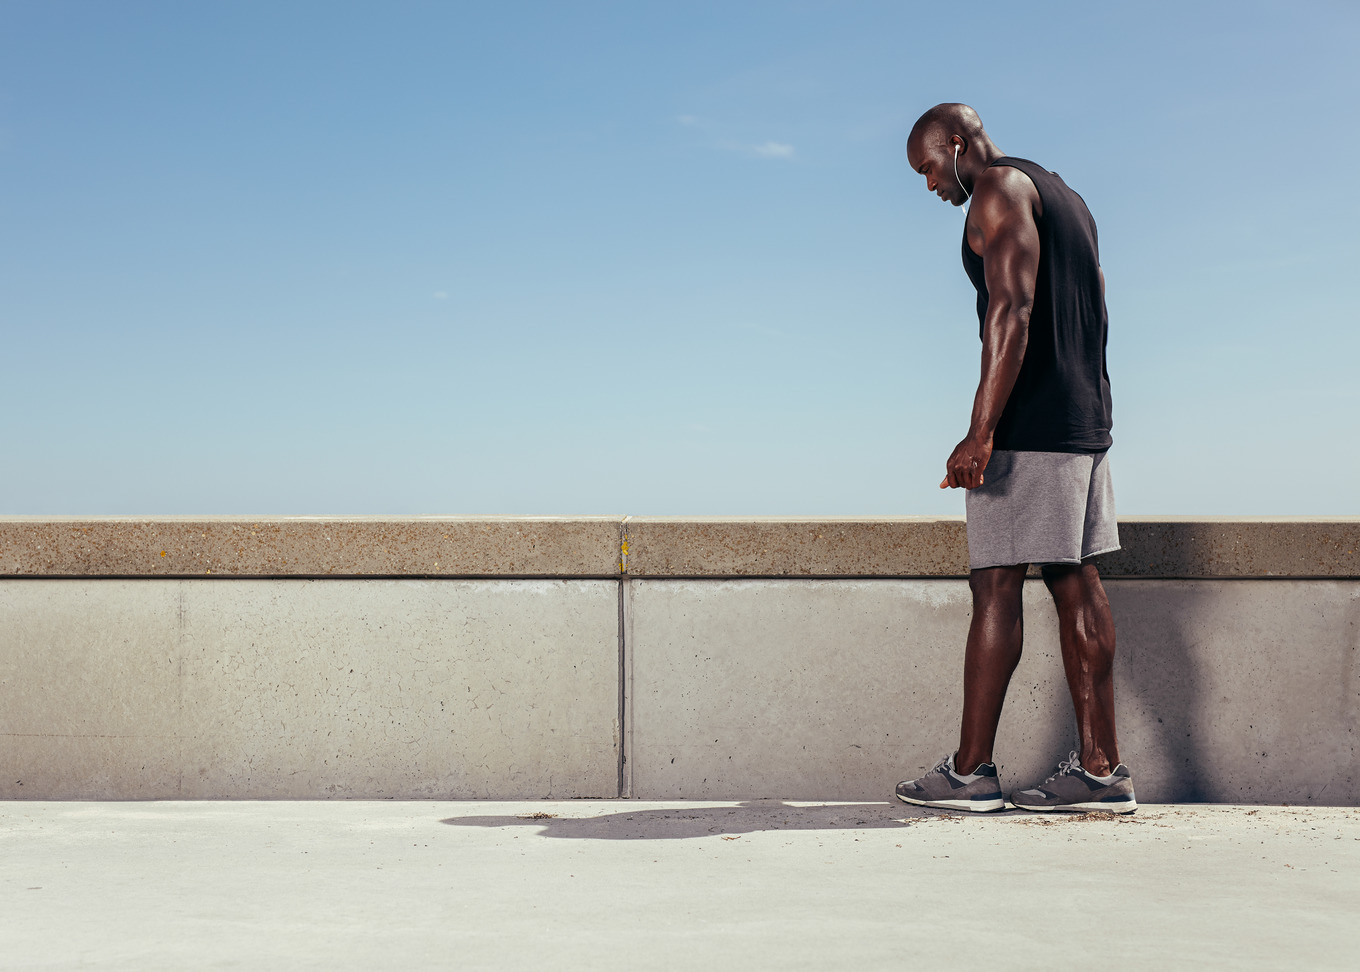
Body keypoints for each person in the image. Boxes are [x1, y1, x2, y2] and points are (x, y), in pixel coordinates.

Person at [895, 103, 1136, 813]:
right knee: (1076, 580)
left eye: (929, 167)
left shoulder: (998, 189)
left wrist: (980, 431)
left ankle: (970, 774)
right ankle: (1101, 772)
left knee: (995, 583)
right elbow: (1091, 306)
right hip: (1085, 418)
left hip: (1027, 423)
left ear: (956, 144)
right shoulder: (1066, 195)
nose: (930, 186)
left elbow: (1013, 309)